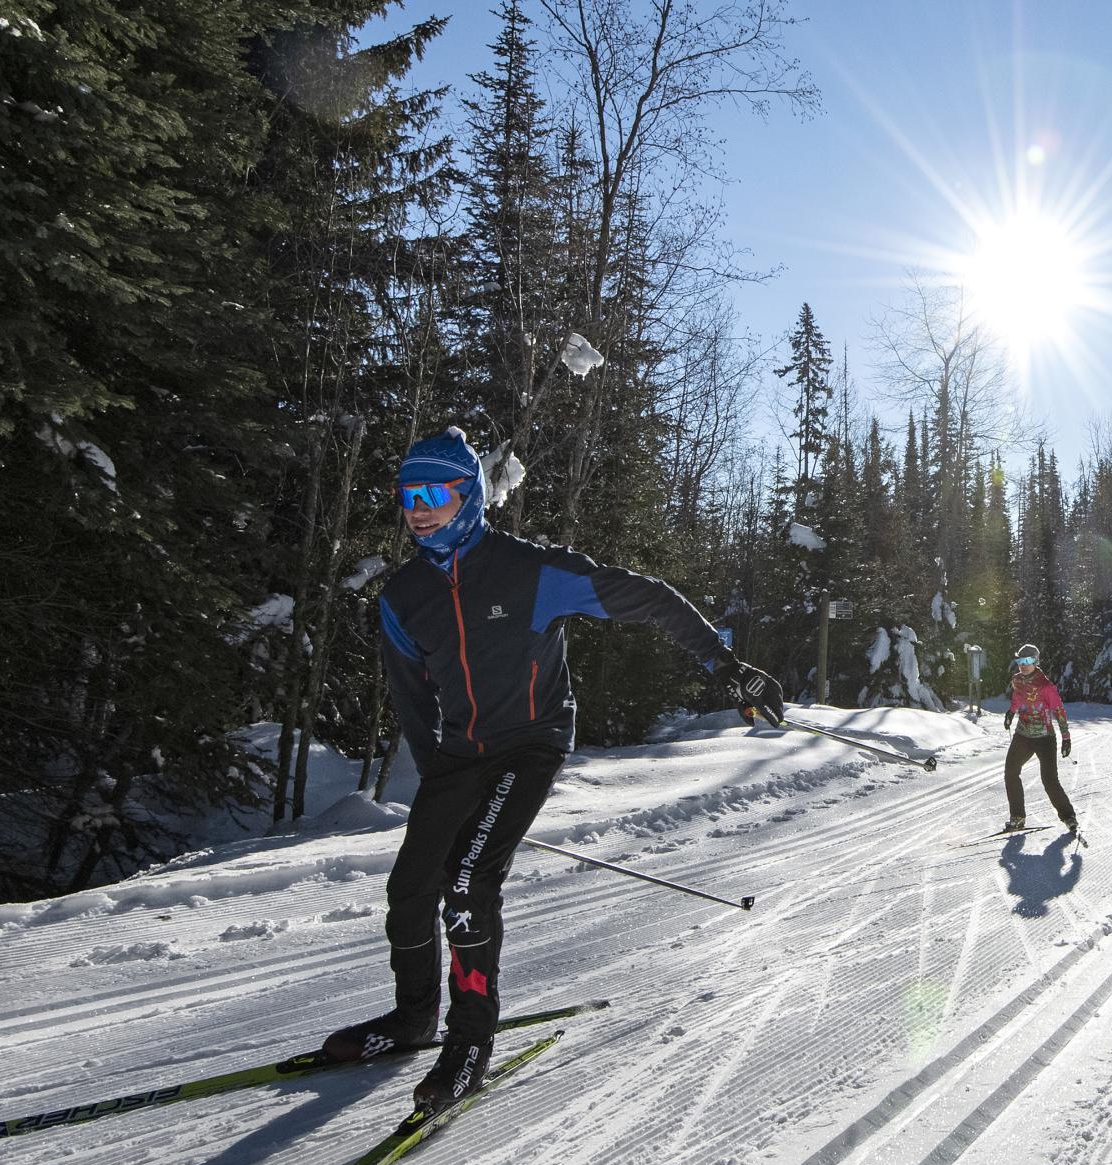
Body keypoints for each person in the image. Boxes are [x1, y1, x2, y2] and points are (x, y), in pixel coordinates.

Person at [323, 428, 784, 1109]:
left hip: (532, 742)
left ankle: (470, 1039)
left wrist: (726, 667)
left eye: (435, 494)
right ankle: (412, 1016)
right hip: (459, 752)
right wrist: (444, 798)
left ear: (469, 496)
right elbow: (414, 702)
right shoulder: (403, 597)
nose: (419, 509)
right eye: (408, 496)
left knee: (471, 885)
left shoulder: (530, 571)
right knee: (411, 888)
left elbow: (649, 598)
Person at [1002, 643, 1077, 834]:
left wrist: (1066, 737)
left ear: (1036, 662)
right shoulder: (1017, 680)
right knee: (1011, 772)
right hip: (1023, 735)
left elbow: (1059, 711)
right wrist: (1011, 713)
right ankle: (1017, 817)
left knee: (1049, 780)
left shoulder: (1046, 686)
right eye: (1020, 661)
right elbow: (1018, 698)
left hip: (1044, 737)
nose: (1023, 665)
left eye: (1027, 661)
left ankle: (1068, 816)